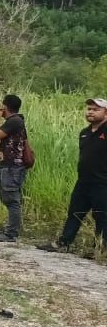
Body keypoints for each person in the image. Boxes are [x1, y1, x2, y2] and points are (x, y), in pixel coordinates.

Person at [38, 99, 107, 257]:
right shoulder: (84, 132)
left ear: (105, 112)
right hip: (83, 182)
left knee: (102, 216)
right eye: (89, 109)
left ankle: (100, 249)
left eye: (95, 109)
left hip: (103, 182)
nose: (90, 112)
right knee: (75, 212)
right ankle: (64, 243)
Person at [0, 94, 29, 243]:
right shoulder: (14, 121)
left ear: (5, 107)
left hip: (13, 166)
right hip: (8, 165)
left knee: (12, 200)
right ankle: (9, 229)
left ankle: (12, 233)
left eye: (2, 106)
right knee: (8, 198)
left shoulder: (15, 121)